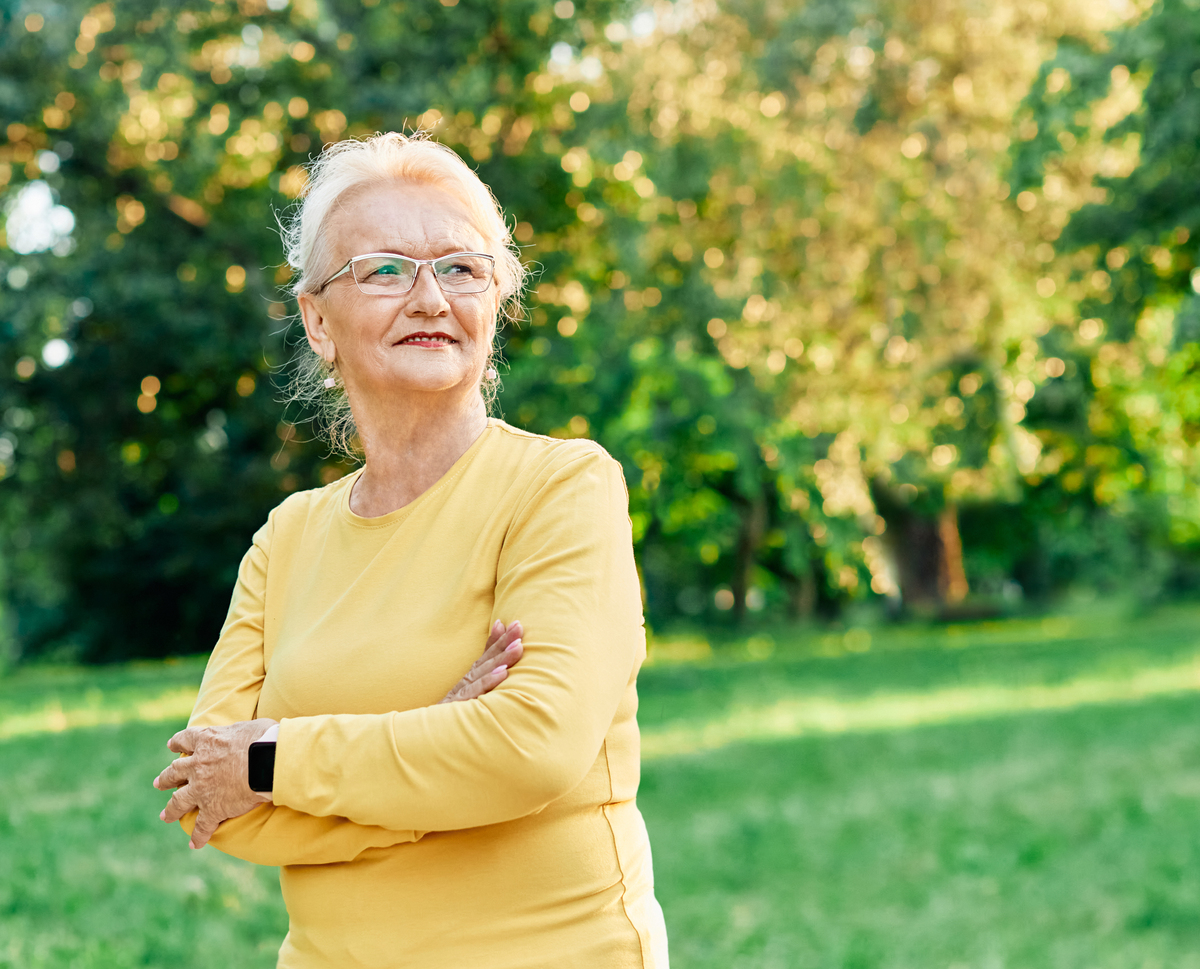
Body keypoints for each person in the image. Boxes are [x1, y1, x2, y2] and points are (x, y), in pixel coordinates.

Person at [151, 130, 670, 969]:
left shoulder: (562, 488)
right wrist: (441, 738)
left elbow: (530, 749)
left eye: (461, 267)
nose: (430, 297)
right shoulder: (287, 538)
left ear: (493, 301)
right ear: (318, 320)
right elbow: (213, 798)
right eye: (386, 269)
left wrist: (277, 758)